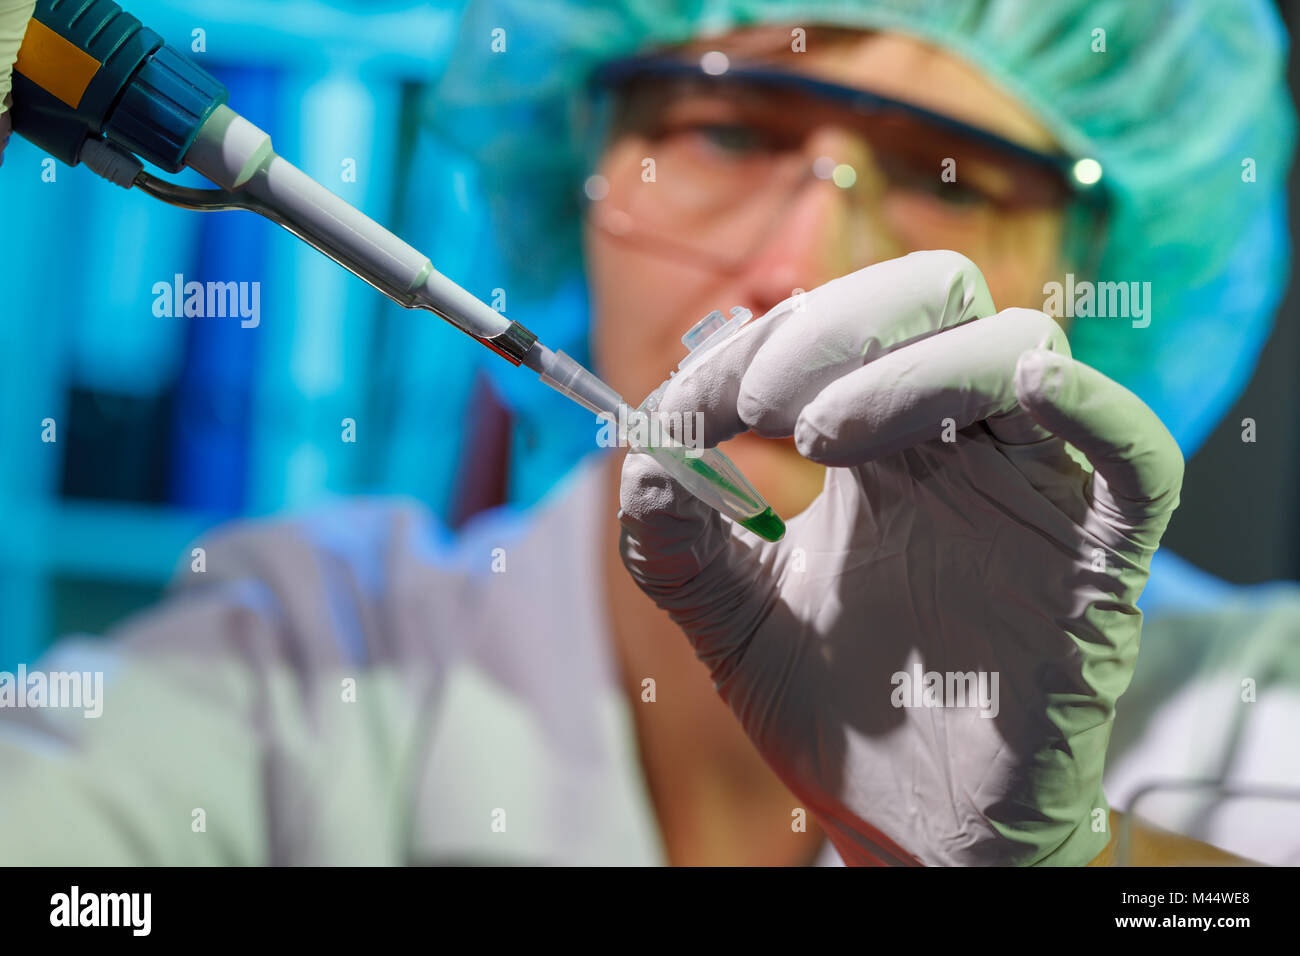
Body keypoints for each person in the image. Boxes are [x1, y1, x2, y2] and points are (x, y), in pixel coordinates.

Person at [0, 0, 1295, 865]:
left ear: (1099, 276)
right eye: (727, 129)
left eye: (937, 172)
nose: (799, 269)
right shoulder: (305, 657)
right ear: (569, 190)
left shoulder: (1258, 698)